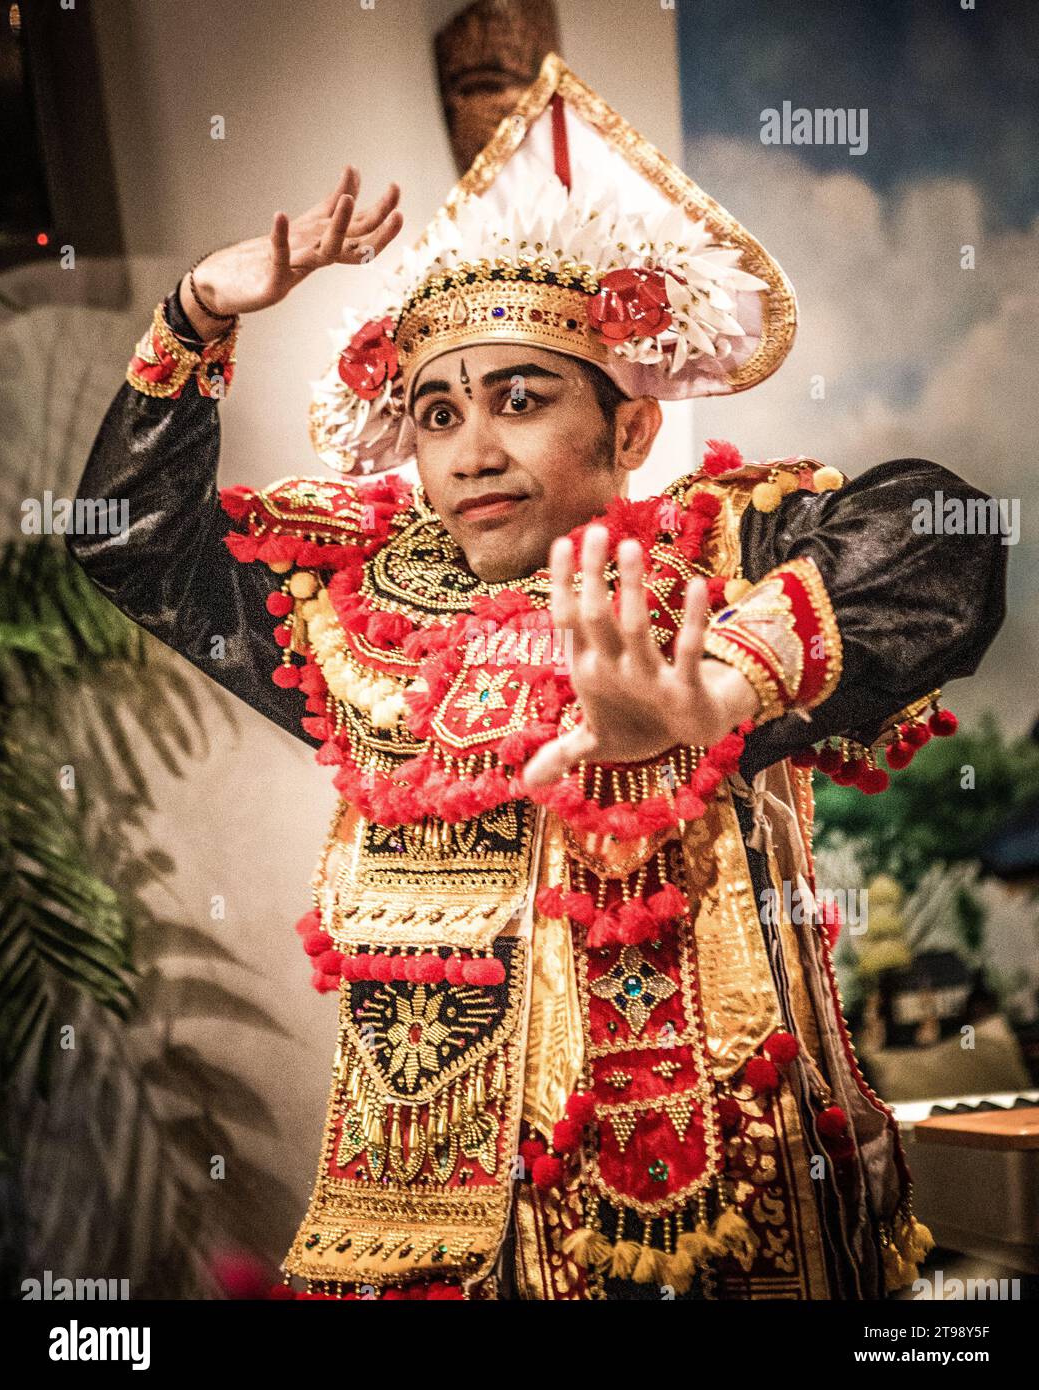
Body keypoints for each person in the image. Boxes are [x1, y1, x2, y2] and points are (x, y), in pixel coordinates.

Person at [69, 55, 1006, 1300]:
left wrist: (715, 688)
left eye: (518, 399)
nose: (471, 450)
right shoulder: (357, 610)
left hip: (711, 1232)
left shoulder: (712, 559)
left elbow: (947, 531)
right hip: (420, 1241)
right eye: (437, 415)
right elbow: (125, 534)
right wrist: (194, 310)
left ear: (625, 428)